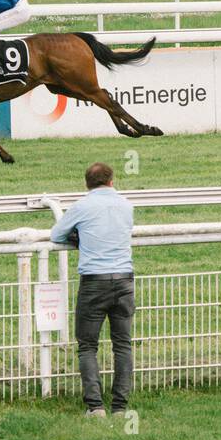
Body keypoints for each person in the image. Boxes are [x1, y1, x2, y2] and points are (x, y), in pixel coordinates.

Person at [50, 163, 135, 418]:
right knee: (123, 344)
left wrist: (79, 237)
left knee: (87, 346)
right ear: (111, 181)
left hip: (94, 282)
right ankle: (120, 407)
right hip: (124, 280)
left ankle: (95, 406)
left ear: (87, 184)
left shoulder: (81, 206)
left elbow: (56, 234)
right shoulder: (126, 205)